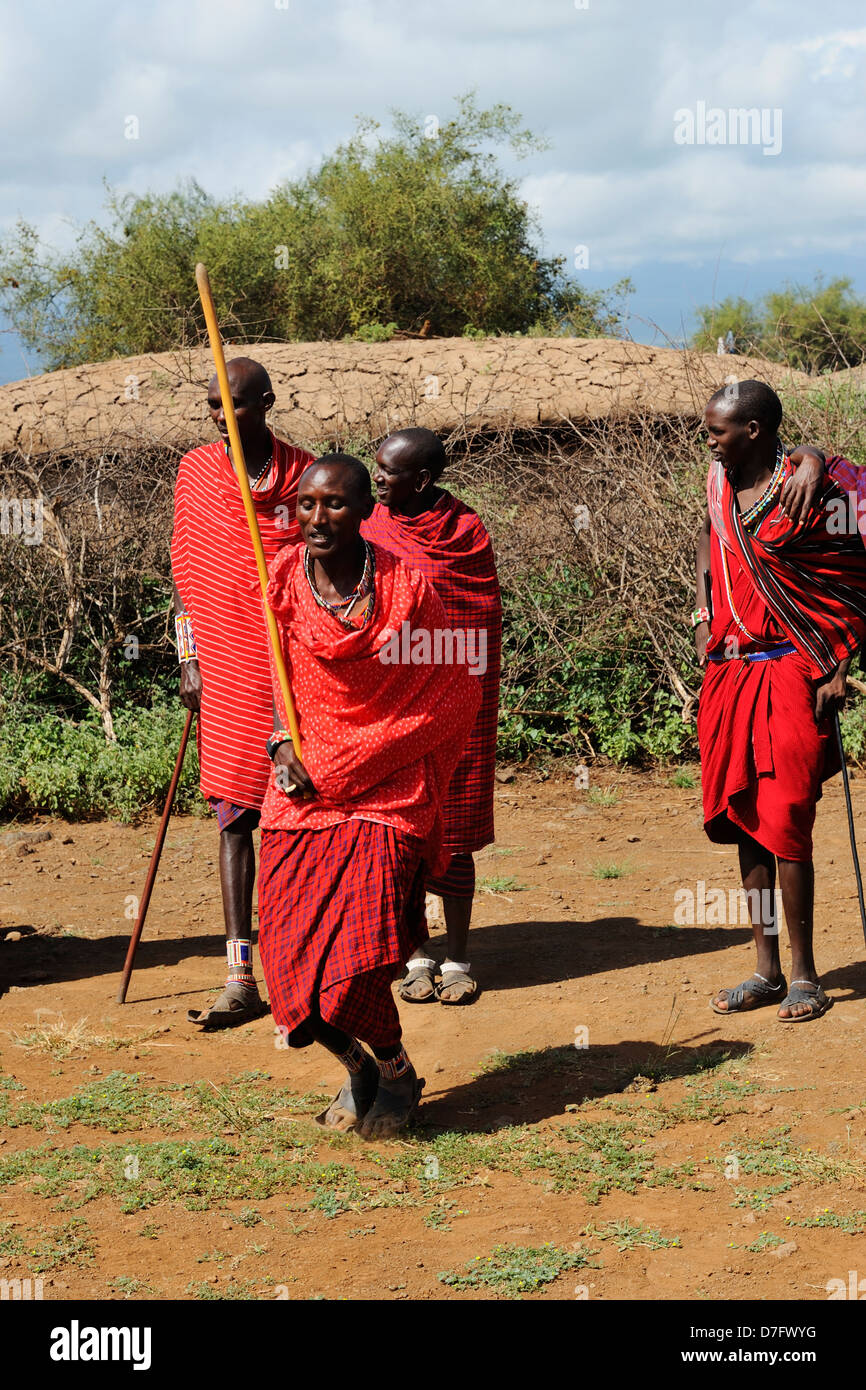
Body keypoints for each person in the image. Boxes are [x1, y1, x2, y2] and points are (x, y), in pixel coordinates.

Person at [257, 453, 480, 1135]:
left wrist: (367, 755)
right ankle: (367, 1066)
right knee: (289, 969)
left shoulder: (409, 592)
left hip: (385, 792)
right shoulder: (284, 578)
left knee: (355, 967)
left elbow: (454, 691)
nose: (317, 519)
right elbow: (281, 683)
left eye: (335, 505)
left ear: (364, 513)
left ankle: (393, 1072)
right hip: (304, 789)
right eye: (306, 505)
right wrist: (281, 745)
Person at [695, 381, 866, 1021]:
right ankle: (764, 970)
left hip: (792, 672)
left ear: (757, 431)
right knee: (746, 823)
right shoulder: (716, 485)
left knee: (788, 821)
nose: (708, 440)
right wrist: (702, 619)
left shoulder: (810, 489)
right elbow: (710, 553)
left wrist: (836, 663)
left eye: (718, 430)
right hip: (729, 674)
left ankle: (804, 975)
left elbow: (850, 574)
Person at [171, 357, 314, 1028]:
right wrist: (189, 656)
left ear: (266, 402)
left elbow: (332, 563)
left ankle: (306, 966)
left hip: (296, 668)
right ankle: (239, 976)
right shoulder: (197, 472)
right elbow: (184, 566)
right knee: (234, 821)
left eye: (233, 404)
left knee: (301, 815)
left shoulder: (305, 475)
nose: (218, 417)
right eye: (210, 405)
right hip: (226, 667)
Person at [362, 428, 502, 1005]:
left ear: (421, 480)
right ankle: (415, 954)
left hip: (458, 704)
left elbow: (480, 621)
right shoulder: (371, 527)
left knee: (456, 834)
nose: (377, 480)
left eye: (387, 472)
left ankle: (460, 957)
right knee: (403, 833)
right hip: (395, 705)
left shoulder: (467, 533)